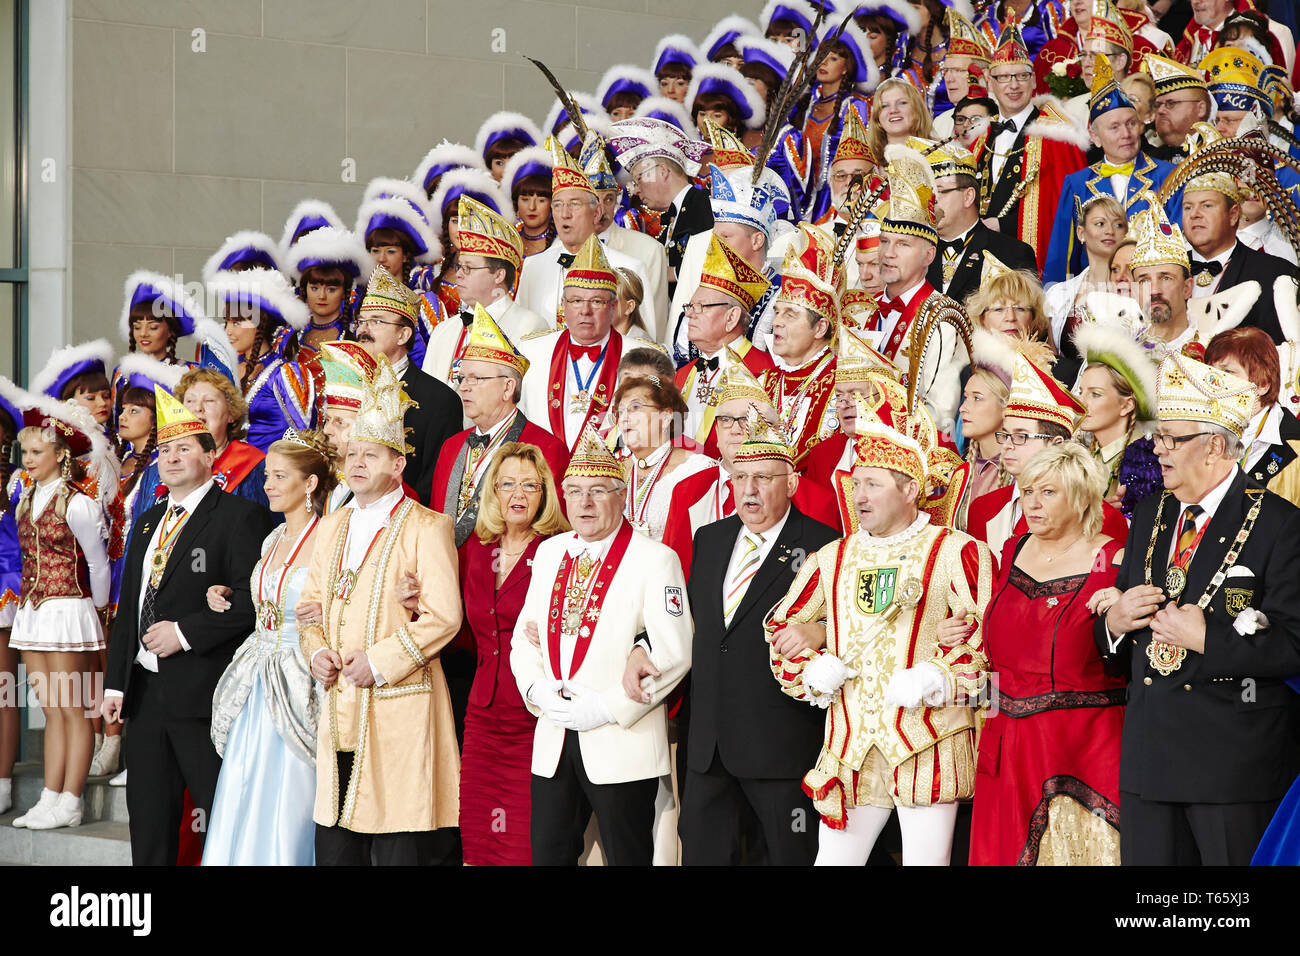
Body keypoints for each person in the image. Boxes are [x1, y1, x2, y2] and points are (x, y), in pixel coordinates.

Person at [766, 377, 995, 865]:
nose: (859, 495)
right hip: (849, 745)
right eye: (856, 483)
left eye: (873, 483)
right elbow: (781, 627)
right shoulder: (832, 556)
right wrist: (809, 668)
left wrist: (937, 676)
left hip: (927, 739)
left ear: (911, 488)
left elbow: (982, 641)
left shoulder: (957, 551)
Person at [1096, 352, 1300, 865]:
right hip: (1149, 761)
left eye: (1171, 439)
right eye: (1158, 437)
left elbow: (1293, 646)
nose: (1157, 450)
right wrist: (1114, 626)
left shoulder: (1281, 524)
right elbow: (1121, 625)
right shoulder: (1149, 513)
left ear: (1213, 447)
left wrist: (1210, 638)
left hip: (1232, 766)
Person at [297, 355, 464, 865]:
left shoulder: (427, 526)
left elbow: (444, 617)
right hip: (339, 706)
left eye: (372, 454)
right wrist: (317, 652)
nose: (357, 463)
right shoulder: (331, 525)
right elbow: (310, 606)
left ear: (399, 464)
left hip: (399, 705)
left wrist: (380, 661)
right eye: (352, 453)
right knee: (339, 843)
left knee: (398, 841)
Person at [101, 387, 275, 864]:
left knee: (219, 815)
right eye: (164, 451)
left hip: (204, 693)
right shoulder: (147, 520)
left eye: (184, 449)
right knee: (150, 821)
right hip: (145, 694)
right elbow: (130, 604)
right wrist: (116, 684)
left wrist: (183, 633)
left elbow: (250, 601)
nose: (171, 458)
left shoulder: (242, 518)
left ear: (210, 455)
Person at [510, 421, 692, 865]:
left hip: (621, 739)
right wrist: (537, 690)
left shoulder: (656, 559)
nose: (584, 502)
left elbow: (673, 653)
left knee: (627, 857)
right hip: (553, 738)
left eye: (597, 491)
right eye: (574, 490)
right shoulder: (549, 552)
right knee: (548, 856)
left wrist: (607, 707)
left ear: (620, 495)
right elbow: (524, 636)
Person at [680, 416, 838, 865]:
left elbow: (855, 631)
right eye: (740, 477)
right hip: (709, 749)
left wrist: (821, 631)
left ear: (791, 482)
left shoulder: (824, 546)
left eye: (763, 478)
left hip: (781, 750)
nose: (748, 490)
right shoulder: (709, 539)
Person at [969, 443, 1126, 865]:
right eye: (1027, 491)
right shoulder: (1014, 549)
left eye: (1048, 493)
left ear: (1081, 498)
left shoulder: (1113, 561)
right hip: (1006, 740)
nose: (1032, 504)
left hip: (1081, 747)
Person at [202, 430, 336, 865]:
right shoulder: (272, 539)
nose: (268, 485)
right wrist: (232, 593)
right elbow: (271, 597)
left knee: (290, 794)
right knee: (243, 784)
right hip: (257, 678)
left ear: (310, 484)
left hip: (300, 680)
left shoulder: (329, 540)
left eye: (280, 476)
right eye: (266, 476)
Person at [3, 387, 114, 831]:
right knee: (51, 711)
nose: (27, 458)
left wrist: (101, 612)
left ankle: (72, 799)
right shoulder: (26, 497)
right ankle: (50, 796)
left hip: (69, 611)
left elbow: (98, 563)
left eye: (36, 450)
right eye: (24, 450)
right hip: (33, 612)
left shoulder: (80, 503)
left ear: (60, 452)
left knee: (74, 709)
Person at [459, 442, 569, 866]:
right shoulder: (476, 550)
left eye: (529, 485)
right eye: (507, 484)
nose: (517, 495)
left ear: (545, 493)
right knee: (479, 835)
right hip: (482, 715)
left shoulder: (558, 551)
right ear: (493, 492)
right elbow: (469, 634)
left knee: (522, 840)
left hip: (532, 715)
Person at [662, 361, 842, 579]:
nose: (736, 428)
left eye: (747, 419)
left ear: (772, 431)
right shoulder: (686, 491)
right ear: (716, 431)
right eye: (726, 419)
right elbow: (670, 571)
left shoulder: (817, 501)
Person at [428, 304, 569, 547]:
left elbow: (552, 534)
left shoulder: (547, 449)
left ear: (507, 388)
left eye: (476, 379)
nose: (464, 387)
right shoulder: (451, 446)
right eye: (462, 378)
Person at [967, 351, 1129, 555]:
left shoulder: (1100, 517)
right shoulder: (982, 507)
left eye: (1021, 436)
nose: (1007, 445)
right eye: (1006, 435)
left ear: (1056, 444)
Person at [1044, 54, 1172, 283]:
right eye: (1114, 127)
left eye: (1131, 124)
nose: (1126, 134)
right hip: (1094, 296)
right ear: (1095, 137)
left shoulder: (1167, 175)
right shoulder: (1077, 183)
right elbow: (1061, 256)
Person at [873, 147, 969, 438]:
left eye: (903, 245)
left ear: (929, 255)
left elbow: (940, 412)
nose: (888, 253)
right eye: (885, 241)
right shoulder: (864, 310)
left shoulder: (942, 317)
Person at [974, 25, 1087, 270]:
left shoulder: (1057, 134)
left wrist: (1002, 226)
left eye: (1021, 76)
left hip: (1027, 264)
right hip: (981, 263)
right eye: (1004, 77)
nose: (1013, 85)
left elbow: (1061, 212)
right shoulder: (980, 137)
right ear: (990, 83)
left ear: (1034, 80)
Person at [355, 264, 462, 505]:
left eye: (377, 322)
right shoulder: (348, 388)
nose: (364, 330)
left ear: (403, 335)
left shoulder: (439, 400)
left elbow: (436, 484)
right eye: (362, 321)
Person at [422, 195, 548, 386]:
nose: (460, 275)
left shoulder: (530, 328)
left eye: (469, 268)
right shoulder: (444, 330)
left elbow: (531, 397)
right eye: (459, 267)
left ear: (498, 276)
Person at [517, 234, 628, 450]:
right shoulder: (530, 351)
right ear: (563, 305)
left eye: (596, 301)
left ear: (613, 306)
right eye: (576, 301)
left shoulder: (643, 356)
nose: (585, 311)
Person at [674, 233, 775, 454]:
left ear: (731, 318)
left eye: (700, 306)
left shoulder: (765, 374)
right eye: (689, 306)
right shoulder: (683, 374)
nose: (690, 314)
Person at [1180, 149, 1294, 344]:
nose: (1195, 214)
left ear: (1233, 215)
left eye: (1207, 205)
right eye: (1188, 207)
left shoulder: (1276, 273)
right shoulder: (1167, 271)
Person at [607, 117, 713, 312]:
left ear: (663, 171)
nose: (636, 191)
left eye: (638, 179)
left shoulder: (703, 205)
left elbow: (713, 266)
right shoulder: (675, 216)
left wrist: (663, 274)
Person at [209, 268, 317, 452]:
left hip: (270, 474)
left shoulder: (286, 374)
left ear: (261, 325)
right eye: (226, 322)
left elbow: (305, 439)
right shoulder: (224, 370)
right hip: (228, 473)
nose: (228, 330)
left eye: (237, 322)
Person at [762, 223, 841, 467]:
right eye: (777, 312)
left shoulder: (843, 384)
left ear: (820, 328)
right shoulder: (766, 380)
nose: (776, 322)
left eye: (790, 314)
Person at [923, 138, 1037, 306]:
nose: (931, 202)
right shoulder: (919, 252)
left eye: (939, 192)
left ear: (968, 196)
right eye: (927, 195)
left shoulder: (1012, 254)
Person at [1074, 312, 1163, 517]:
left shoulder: (1144, 460)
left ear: (1127, 405)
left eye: (1095, 394)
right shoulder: (1085, 453)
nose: (1082, 402)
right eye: (1081, 392)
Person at [583, 132, 671, 331]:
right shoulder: (555, 252)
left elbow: (654, 324)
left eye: (608, 199)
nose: (601, 209)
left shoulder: (649, 250)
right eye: (593, 200)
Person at [1205, 327, 1300, 508]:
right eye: (1211, 373)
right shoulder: (1196, 435)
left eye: (1227, 374)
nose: (1214, 384)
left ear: (1262, 384)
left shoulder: (1296, 445)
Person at [614, 374, 714, 542]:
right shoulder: (614, 470)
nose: (624, 418)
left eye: (636, 407)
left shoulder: (698, 469)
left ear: (666, 416)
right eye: (621, 411)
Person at [1044, 195, 1128, 351]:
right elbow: (1050, 357)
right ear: (1081, 233)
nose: (1109, 231)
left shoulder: (1138, 290)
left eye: (1118, 225)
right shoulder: (1057, 294)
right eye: (1100, 224)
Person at [1128, 201, 1199, 360]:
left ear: (1187, 288)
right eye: (1143, 281)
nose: (1154, 290)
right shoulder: (1119, 354)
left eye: (1166, 278)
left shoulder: (1214, 351)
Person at [1140, 52, 1213, 159]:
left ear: (1201, 109)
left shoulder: (1217, 155)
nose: (1160, 111)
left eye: (1171, 103)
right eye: (1157, 105)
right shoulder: (1151, 159)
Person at [503, 146, 556, 261]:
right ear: (516, 203)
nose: (532, 207)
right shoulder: (506, 243)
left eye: (541, 200)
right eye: (525, 199)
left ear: (552, 204)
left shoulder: (562, 243)